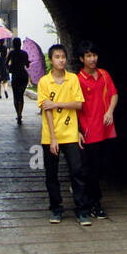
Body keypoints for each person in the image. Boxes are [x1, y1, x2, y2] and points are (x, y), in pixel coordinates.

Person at [36, 44, 92, 226]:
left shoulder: (72, 79)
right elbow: (46, 111)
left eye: (63, 57)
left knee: (77, 171)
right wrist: (52, 137)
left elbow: (79, 104)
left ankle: (82, 209)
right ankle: (56, 208)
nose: (61, 60)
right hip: (50, 134)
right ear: (51, 60)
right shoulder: (44, 82)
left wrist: (56, 104)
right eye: (57, 57)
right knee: (51, 174)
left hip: (70, 134)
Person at [76, 40, 118, 219]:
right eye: (88, 56)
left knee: (101, 166)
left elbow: (114, 94)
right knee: (90, 168)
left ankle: (92, 200)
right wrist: (77, 130)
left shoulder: (104, 74)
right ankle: (93, 203)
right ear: (81, 59)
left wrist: (110, 111)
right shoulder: (77, 80)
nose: (92, 59)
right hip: (89, 129)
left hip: (105, 128)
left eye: (94, 55)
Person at [8, 36, 30, 124]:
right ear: (20, 44)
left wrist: (10, 68)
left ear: (13, 44)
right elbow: (27, 66)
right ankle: (20, 113)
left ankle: (18, 114)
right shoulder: (25, 54)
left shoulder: (11, 53)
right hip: (23, 75)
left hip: (15, 76)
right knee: (21, 96)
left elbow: (6, 63)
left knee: (16, 96)